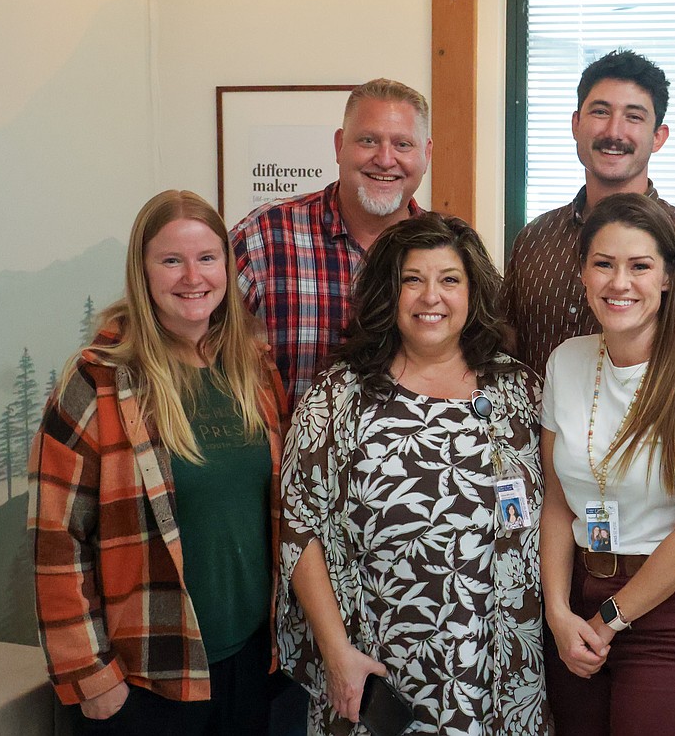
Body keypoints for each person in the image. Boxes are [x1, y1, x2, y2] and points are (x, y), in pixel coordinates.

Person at [276, 215, 551, 735]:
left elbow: (561, 506)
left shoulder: (520, 392)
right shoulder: (337, 398)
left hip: (497, 667)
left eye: (450, 279)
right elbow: (299, 528)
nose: (432, 296)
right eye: (412, 279)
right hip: (378, 669)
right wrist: (335, 652)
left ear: (472, 293)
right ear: (389, 292)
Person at [29, 190, 288, 735]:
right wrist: (92, 677)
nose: (192, 276)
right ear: (142, 271)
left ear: (227, 265)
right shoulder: (98, 379)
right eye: (171, 260)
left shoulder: (254, 369)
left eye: (207, 258)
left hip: (250, 662)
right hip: (148, 678)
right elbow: (55, 538)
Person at [540, 193, 675, 735]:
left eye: (640, 266)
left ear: (667, 278)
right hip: (579, 600)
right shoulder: (566, 361)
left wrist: (609, 621)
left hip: (671, 610)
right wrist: (558, 613)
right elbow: (557, 503)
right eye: (603, 264)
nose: (619, 282)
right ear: (583, 274)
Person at [502, 49, 675, 374]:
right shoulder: (534, 239)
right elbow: (507, 356)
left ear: (658, 137)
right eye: (600, 112)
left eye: (634, 117)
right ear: (576, 124)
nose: (614, 131)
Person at [230, 78, 432, 409]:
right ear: (339, 146)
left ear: (426, 153)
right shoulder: (266, 236)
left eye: (403, 145)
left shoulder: (447, 254)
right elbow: (187, 340)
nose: (384, 159)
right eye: (368, 140)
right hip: (288, 459)